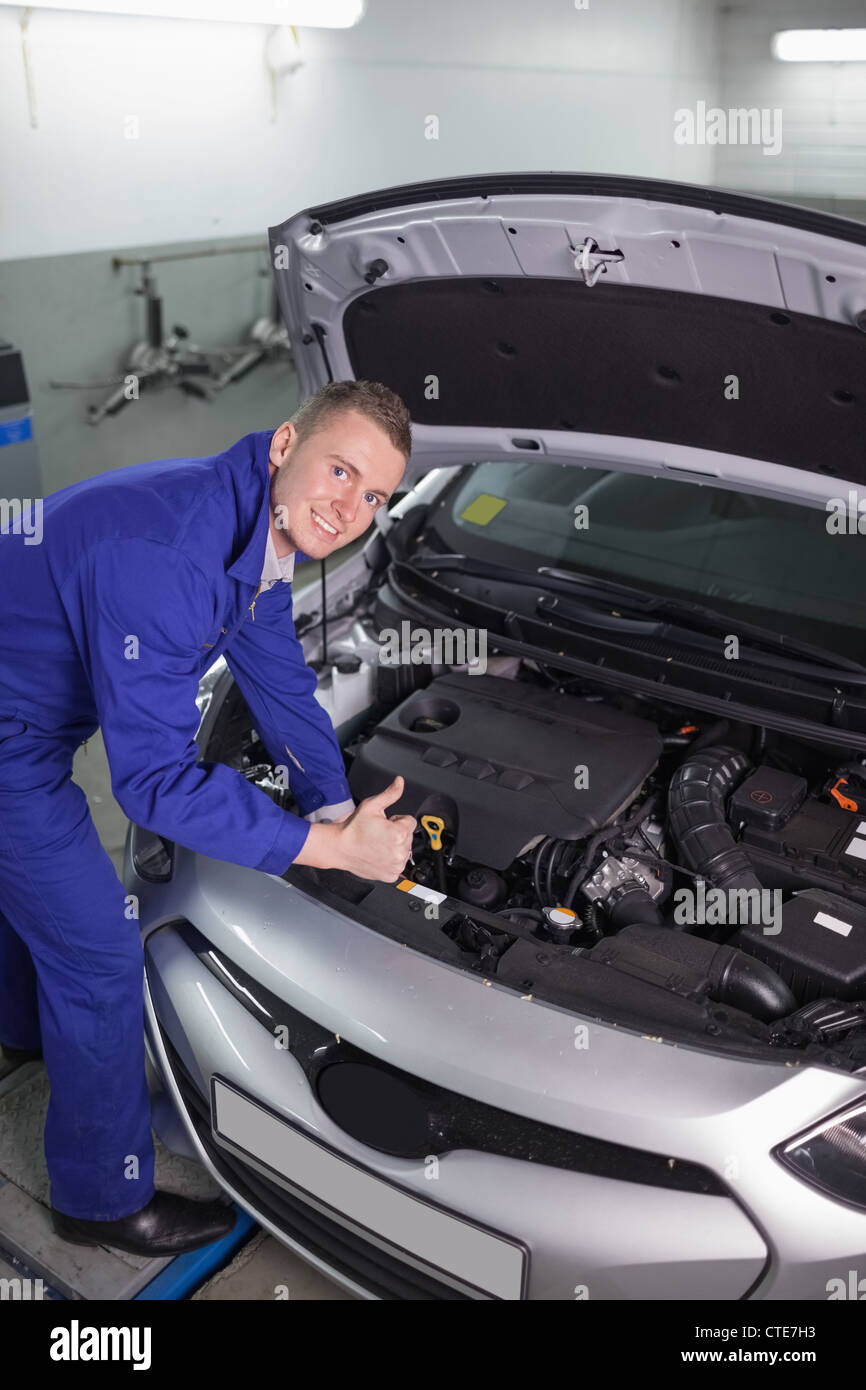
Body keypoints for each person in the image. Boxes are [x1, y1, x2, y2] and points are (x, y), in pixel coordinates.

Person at [0, 378, 415, 1256]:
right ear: (284, 445)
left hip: (27, 704)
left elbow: (280, 682)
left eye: (374, 494)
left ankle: (17, 1039)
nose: (351, 509)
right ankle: (100, 1201)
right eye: (340, 471)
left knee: (33, 896)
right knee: (98, 950)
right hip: (8, 744)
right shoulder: (172, 556)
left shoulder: (253, 533)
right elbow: (150, 783)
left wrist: (337, 809)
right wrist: (323, 851)